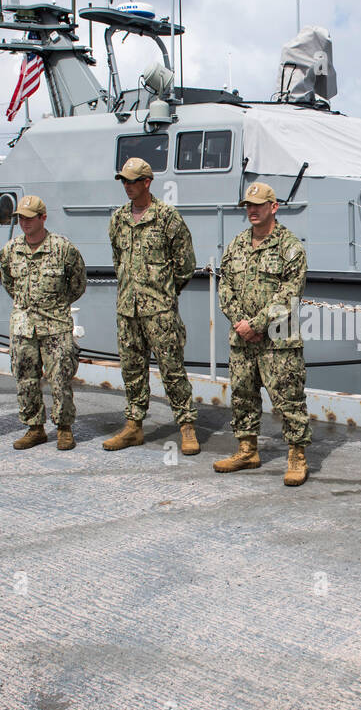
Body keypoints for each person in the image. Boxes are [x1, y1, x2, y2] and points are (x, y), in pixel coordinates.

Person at [213, 182, 311, 484]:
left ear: (274, 207)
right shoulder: (237, 244)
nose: (252, 210)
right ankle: (247, 449)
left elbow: (289, 292)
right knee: (243, 394)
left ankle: (297, 454)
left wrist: (255, 324)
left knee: (288, 398)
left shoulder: (289, 246)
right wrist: (240, 322)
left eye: (258, 204)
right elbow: (225, 284)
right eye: (248, 205)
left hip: (278, 340)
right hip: (242, 338)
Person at [102, 157, 200, 455]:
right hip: (126, 310)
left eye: (132, 181)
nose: (127, 186)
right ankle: (133, 427)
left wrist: (163, 294)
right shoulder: (118, 218)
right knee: (132, 370)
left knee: (172, 370)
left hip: (159, 312)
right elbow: (118, 260)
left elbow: (186, 265)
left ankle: (186, 426)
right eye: (124, 181)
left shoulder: (167, 217)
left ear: (147, 182)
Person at [0, 195, 87, 450]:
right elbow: (9, 283)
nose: (24, 223)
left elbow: (78, 283)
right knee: (26, 378)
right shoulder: (10, 250)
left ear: (42, 218)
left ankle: (64, 429)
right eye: (20, 218)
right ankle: (34, 428)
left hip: (55, 325)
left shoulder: (63, 248)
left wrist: (56, 305)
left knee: (60, 378)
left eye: (29, 218)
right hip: (23, 326)